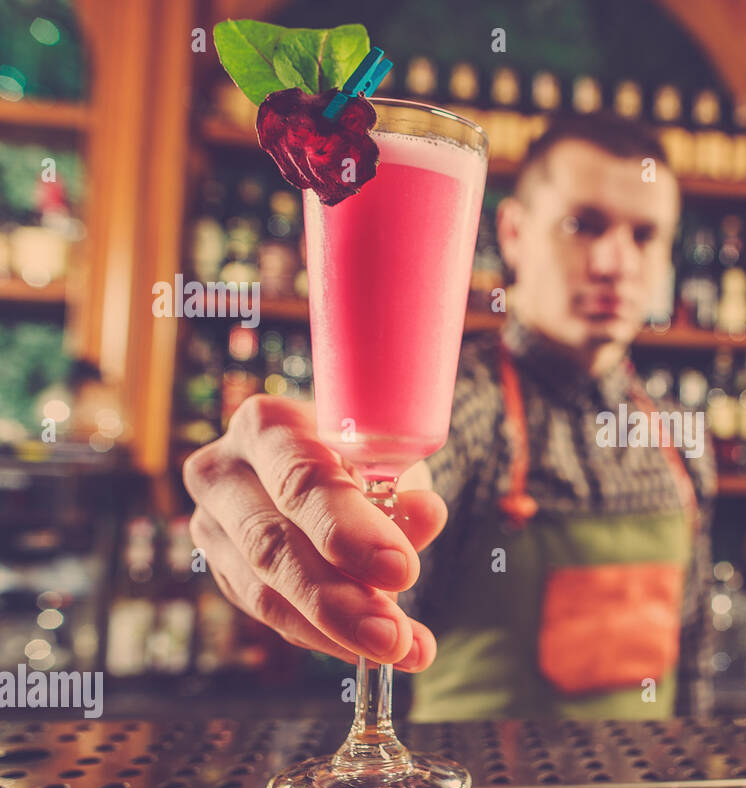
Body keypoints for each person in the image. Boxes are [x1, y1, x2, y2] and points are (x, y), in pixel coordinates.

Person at [183, 112, 716, 721]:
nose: (614, 262)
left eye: (644, 236)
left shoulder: (680, 440)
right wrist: (333, 501)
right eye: (582, 225)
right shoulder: (467, 403)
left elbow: (692, 664)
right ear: (512, 232)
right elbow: (416, 478)